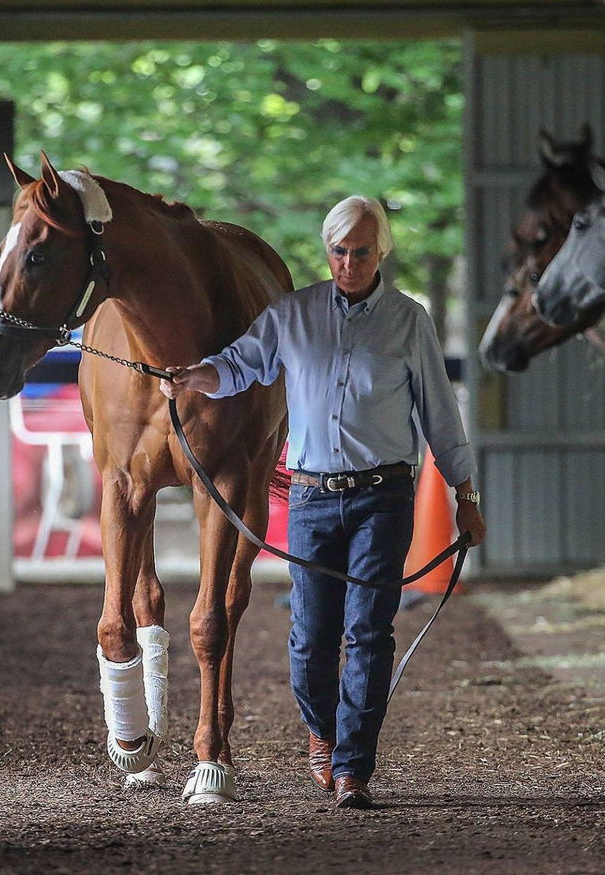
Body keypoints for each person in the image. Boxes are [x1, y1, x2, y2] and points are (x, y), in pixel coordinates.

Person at [160, 195, 485, 809]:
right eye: (338, 250)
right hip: (310, 500)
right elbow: (238, 367)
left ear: (380, 252)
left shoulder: (409, 321)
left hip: (384, 498)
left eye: (361, 251)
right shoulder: (291, 314)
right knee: (310, 637)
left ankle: (354, 767)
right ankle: (323, 735)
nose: (348, 263)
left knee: (368, 632)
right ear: (326, 250)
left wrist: (466, 495)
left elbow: (441, 418)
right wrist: (192, 376)